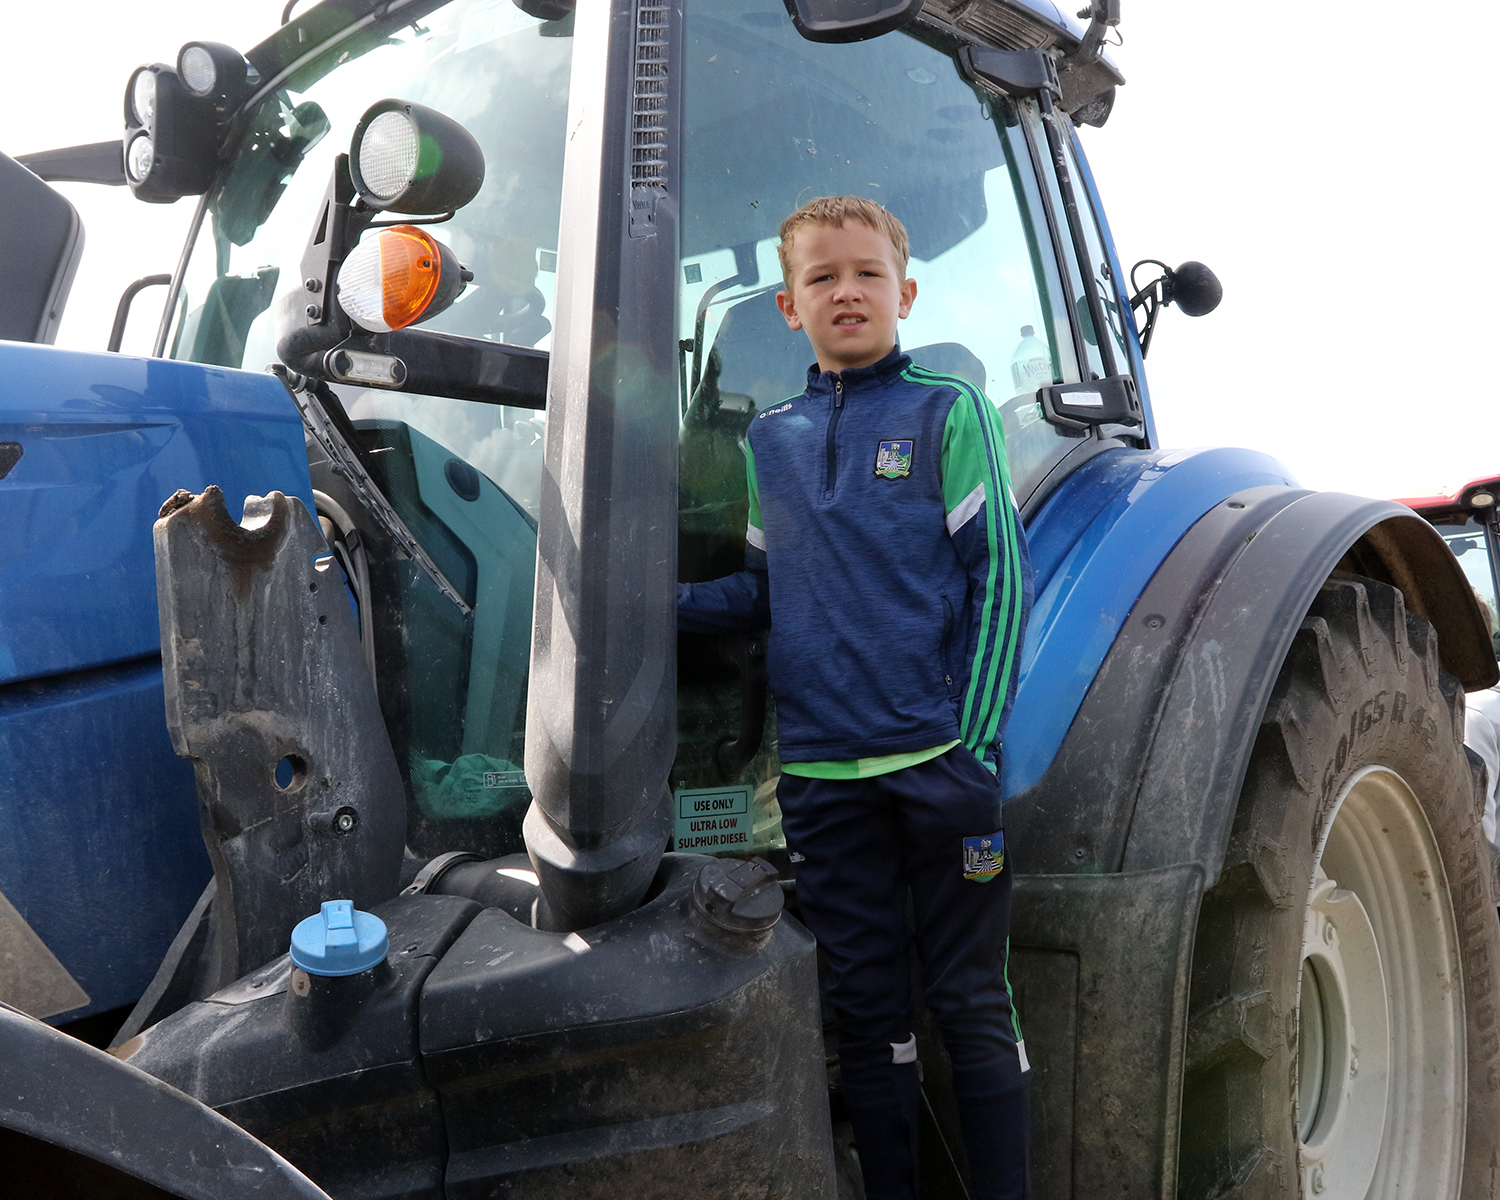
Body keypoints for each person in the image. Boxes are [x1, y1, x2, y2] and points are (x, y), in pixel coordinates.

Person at [677, 196, 1034, 1200]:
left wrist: (972, 745)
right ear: (789, 309)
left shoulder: (944, 413)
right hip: (825, 779)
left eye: (867, 274)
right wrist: (649, 603)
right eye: (823, 278)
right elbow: (763, 591)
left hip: (938, 770)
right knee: (866, 1015)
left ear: (904, 293)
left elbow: (1000, 577)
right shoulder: (770, 444)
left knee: (969, 1001)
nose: (847, 291)